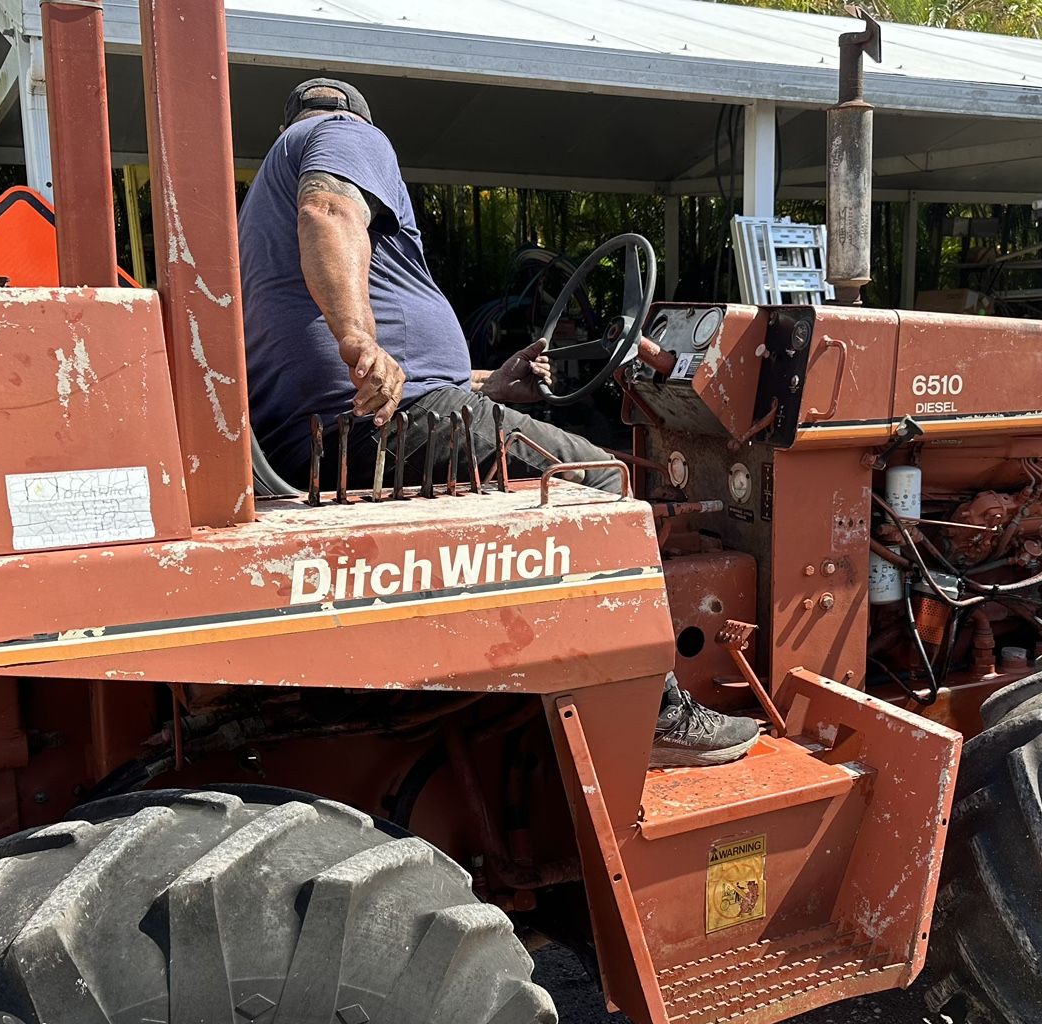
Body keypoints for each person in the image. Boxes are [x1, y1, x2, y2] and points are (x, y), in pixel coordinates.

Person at [238, 77, 757, 768]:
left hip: (339, 433)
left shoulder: (251, 210)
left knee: (543, 453)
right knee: (600, 478)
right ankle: (652, 715)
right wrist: (359, 342)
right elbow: (329, 212)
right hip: (382, 422)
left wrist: (488, 386)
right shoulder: (339, 135)